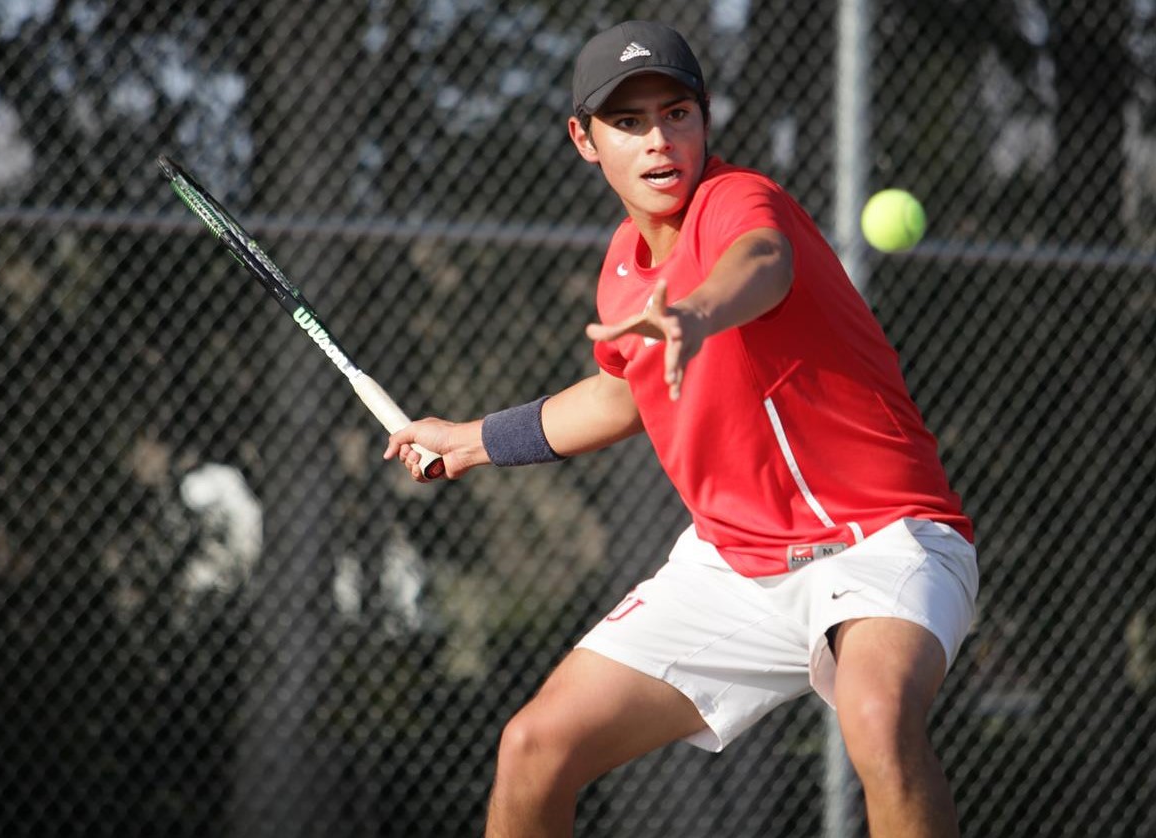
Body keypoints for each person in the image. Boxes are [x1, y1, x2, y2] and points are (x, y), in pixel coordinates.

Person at [384, 20, 978, 838]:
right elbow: (621, 397)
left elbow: (761, 264)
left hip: (883, 541)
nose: (658, 141)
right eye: (627, 123)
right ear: (583, 140)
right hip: (735, 563)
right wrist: (472, 439)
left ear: (704, 121)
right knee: (535, 745)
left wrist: (694, 315)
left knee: (875, 718)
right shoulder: (622, 267)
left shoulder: (739, 200)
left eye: (676, 113)